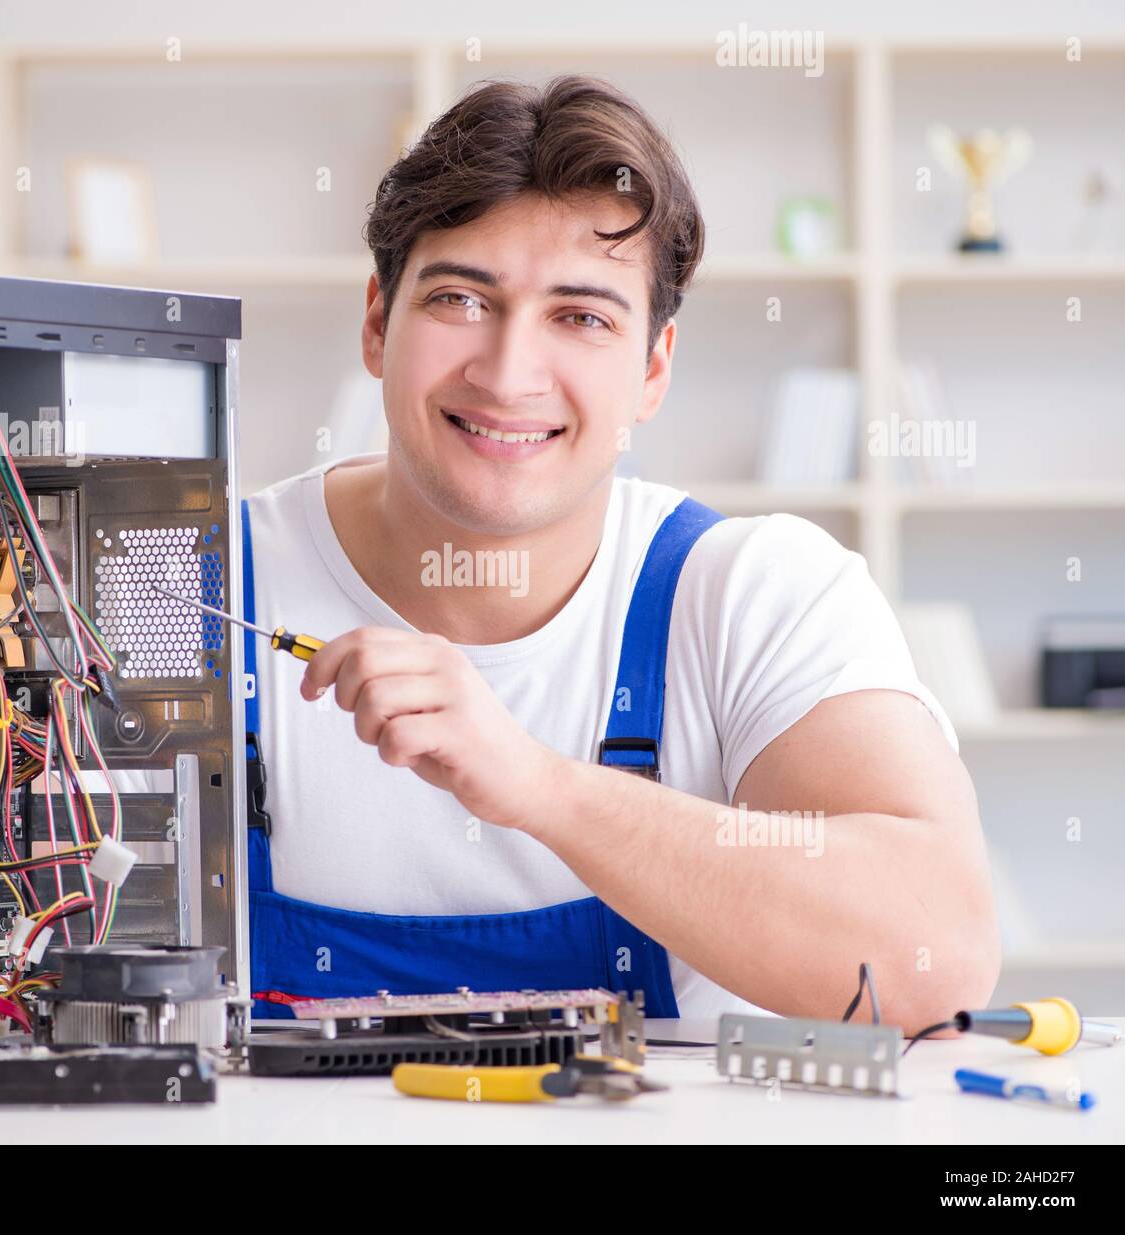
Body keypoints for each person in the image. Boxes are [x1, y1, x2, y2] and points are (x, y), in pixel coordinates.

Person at [240, 75, 1000, 1026]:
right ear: (376, 322)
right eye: (462, 299)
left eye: (582, 316)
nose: (509, 371)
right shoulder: (199, 584)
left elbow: (938, 958)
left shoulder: (754, 593)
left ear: (652, 368)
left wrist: (543, 788)